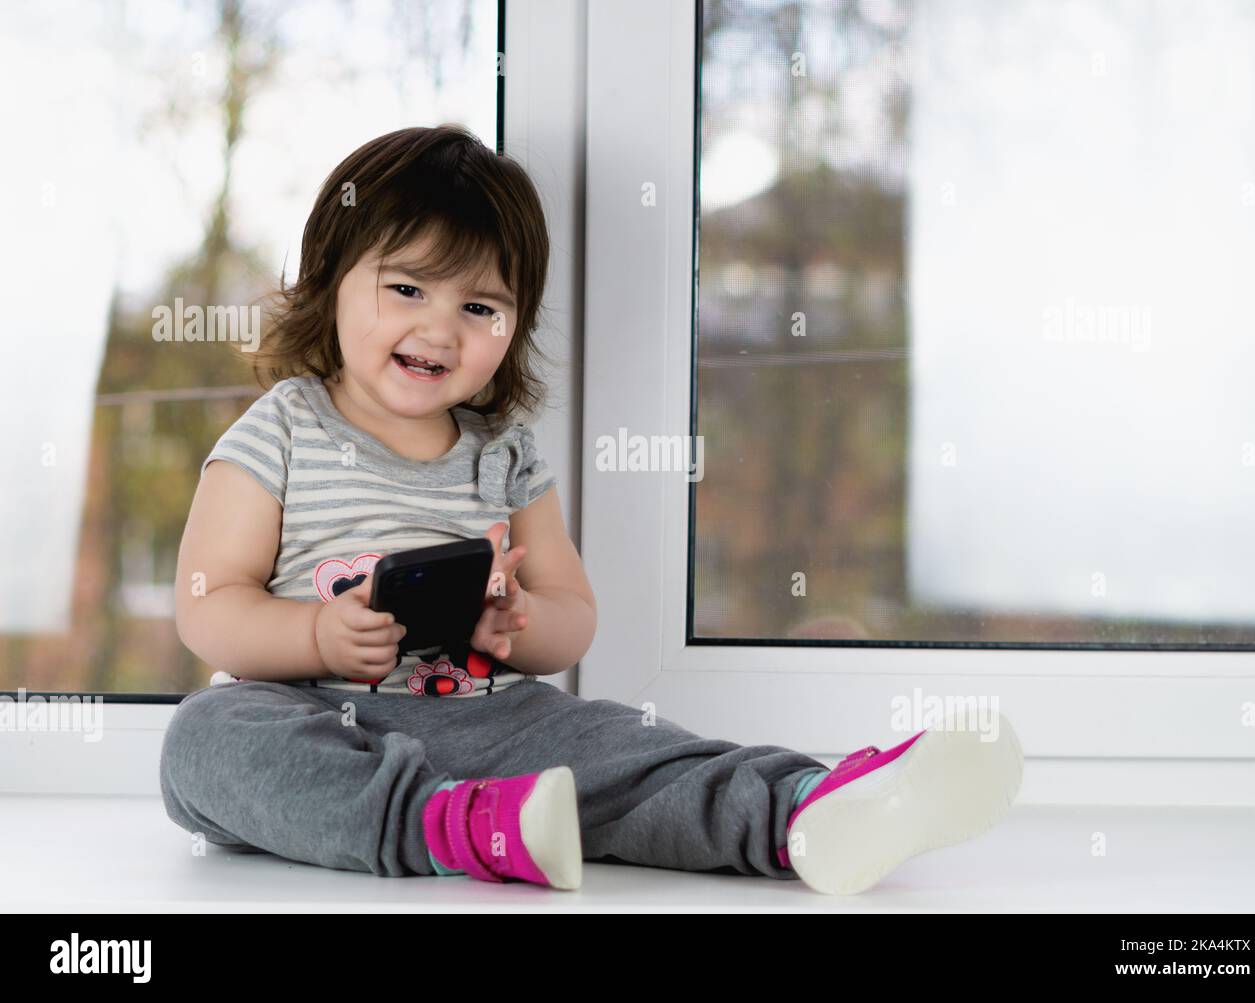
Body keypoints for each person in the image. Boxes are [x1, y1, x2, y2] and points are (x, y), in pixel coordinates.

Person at [161, 125, 1022, 895]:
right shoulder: (281, 428)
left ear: (514, 325)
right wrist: (315, 637)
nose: (442, 328)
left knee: (628, 748)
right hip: (316, 722)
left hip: (495, 724)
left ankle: (808, 809)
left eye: (479, 306)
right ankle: (450, 827)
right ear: (331, 282)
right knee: (205, 737)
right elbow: (209, 602)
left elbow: (572, 619)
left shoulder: (504, 453)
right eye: (408, 289)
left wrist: (518, 621)